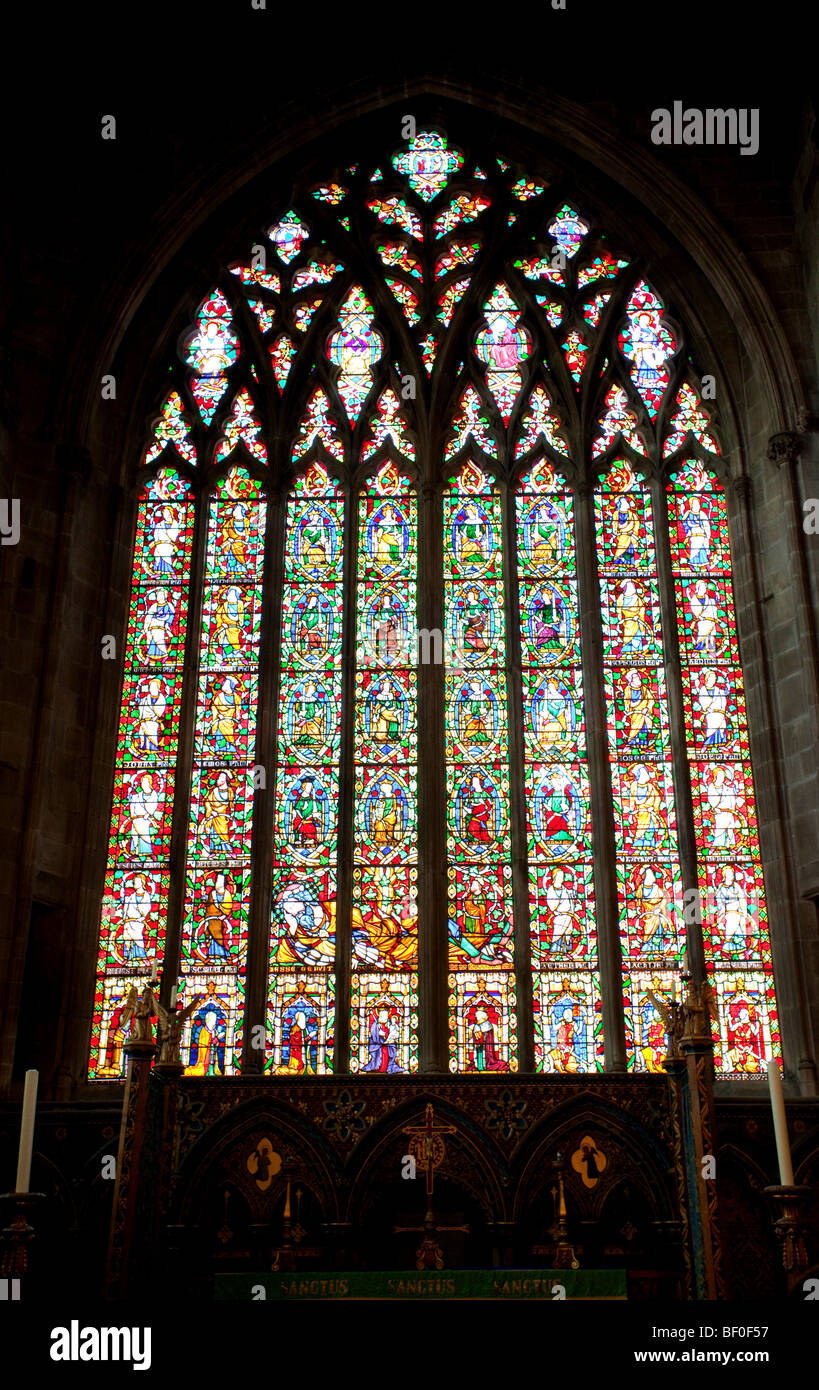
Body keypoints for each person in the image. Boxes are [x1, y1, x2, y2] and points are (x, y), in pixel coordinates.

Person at [133, 678, 166, 755]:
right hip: (145, 720)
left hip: (154, 721)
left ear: (158, 688)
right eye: (150, 687)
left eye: (154, 687)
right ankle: (144, 748)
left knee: (152, 733)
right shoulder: (146, 698)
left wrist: (155, 718)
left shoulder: (161, 699)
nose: (151, 689)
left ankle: (153, 748)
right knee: (143, 734)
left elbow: (160, 709)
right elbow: (141, 705)